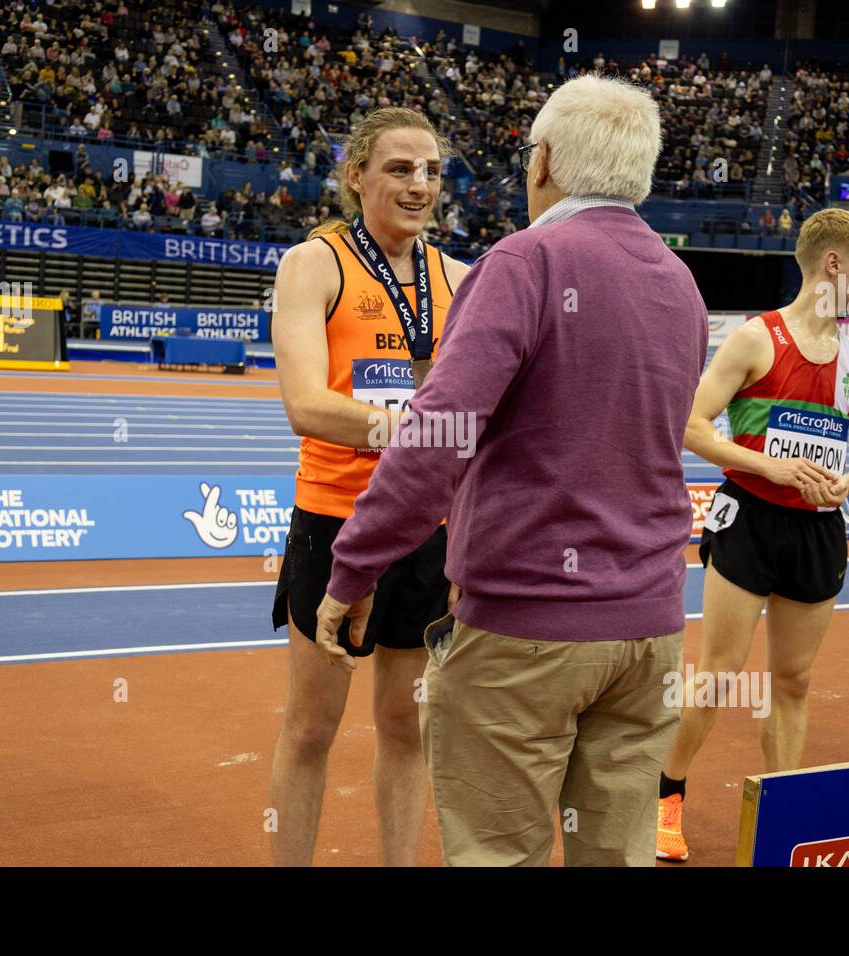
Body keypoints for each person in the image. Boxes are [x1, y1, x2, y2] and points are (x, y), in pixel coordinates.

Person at [316, 74, 707, 866]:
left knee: (501, 854)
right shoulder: (681, 282)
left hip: (526, 627)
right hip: (651, 627)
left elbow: (438, 434)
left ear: (545, 163)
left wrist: (354, 568)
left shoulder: (525, 261)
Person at [268, 106, 470, 867]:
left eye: (430, 170)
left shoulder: (461, 277)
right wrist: (422, 431)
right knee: (312, 728)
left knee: (407, 724)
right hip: (336, 520)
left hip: (432, 528)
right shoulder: (313, 265)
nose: (418, 185)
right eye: (398, 168)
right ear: (356, 176)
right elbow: (305, 406)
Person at [657, 208, 849, 862]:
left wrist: (846, 485)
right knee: (721, 672)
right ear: (833, 265)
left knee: (793, 682)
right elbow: (692, 425)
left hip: (817, 531)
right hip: (750, 518)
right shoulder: (756, 341)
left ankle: (781, 810)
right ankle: (666, 792)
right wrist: (768, 464)